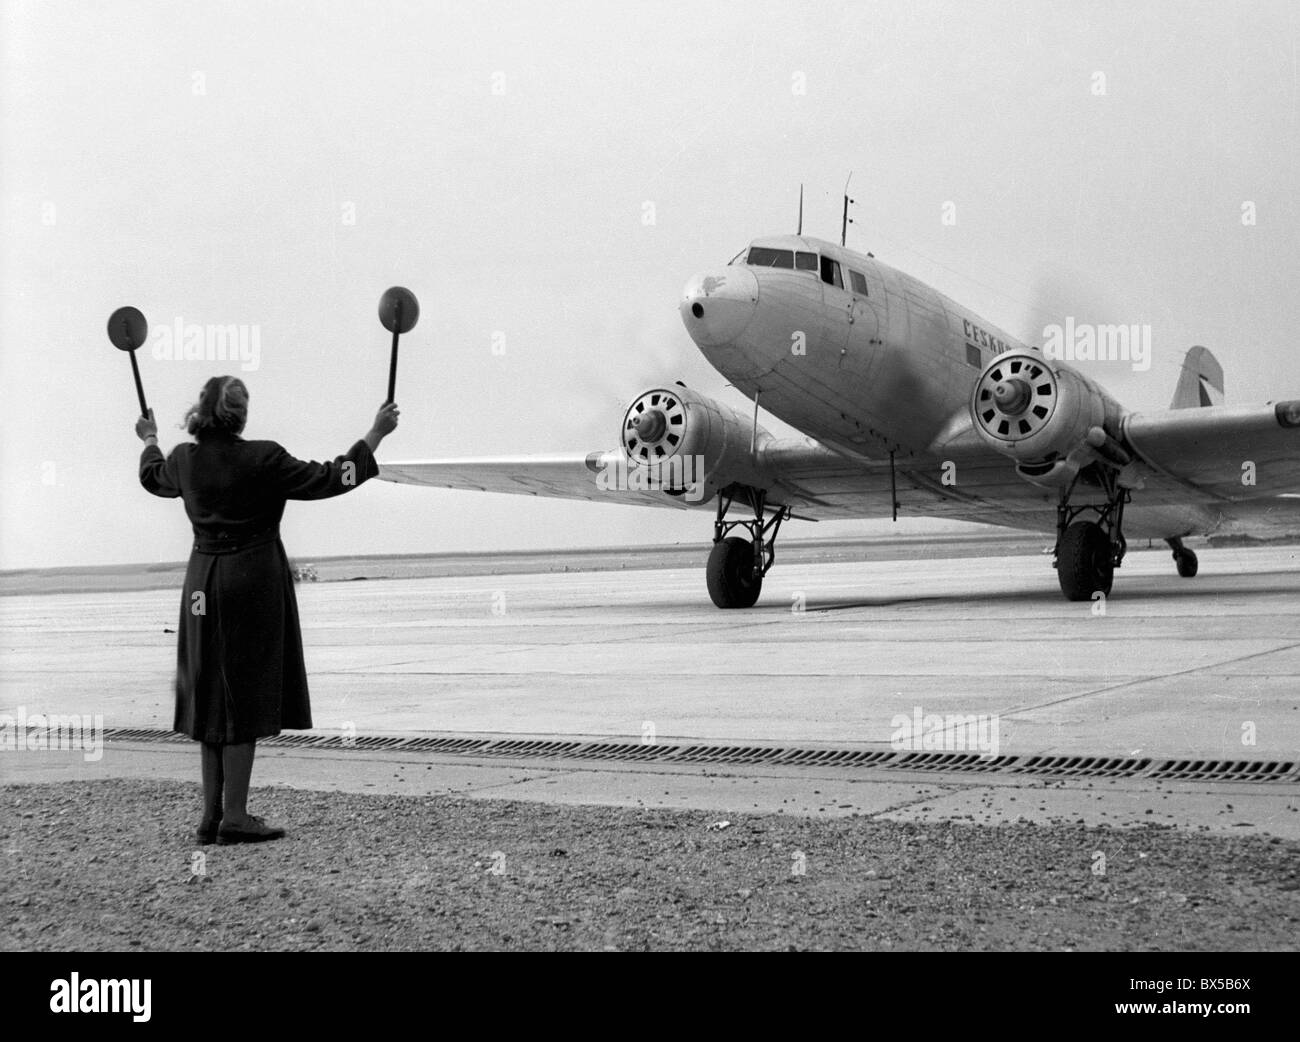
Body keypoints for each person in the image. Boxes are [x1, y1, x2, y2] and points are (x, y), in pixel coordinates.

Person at [137, 376, 398, 845]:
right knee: (246, 693)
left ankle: (210, 816)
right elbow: (331, 478)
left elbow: (152, 477)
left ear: (202, 412)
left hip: (202, 583)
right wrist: (375, 434)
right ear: (240, 415)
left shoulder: (183, 459)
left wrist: (150, 437)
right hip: (251, 581)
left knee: (210, 693)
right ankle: (234, 817)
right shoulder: (265, 457)